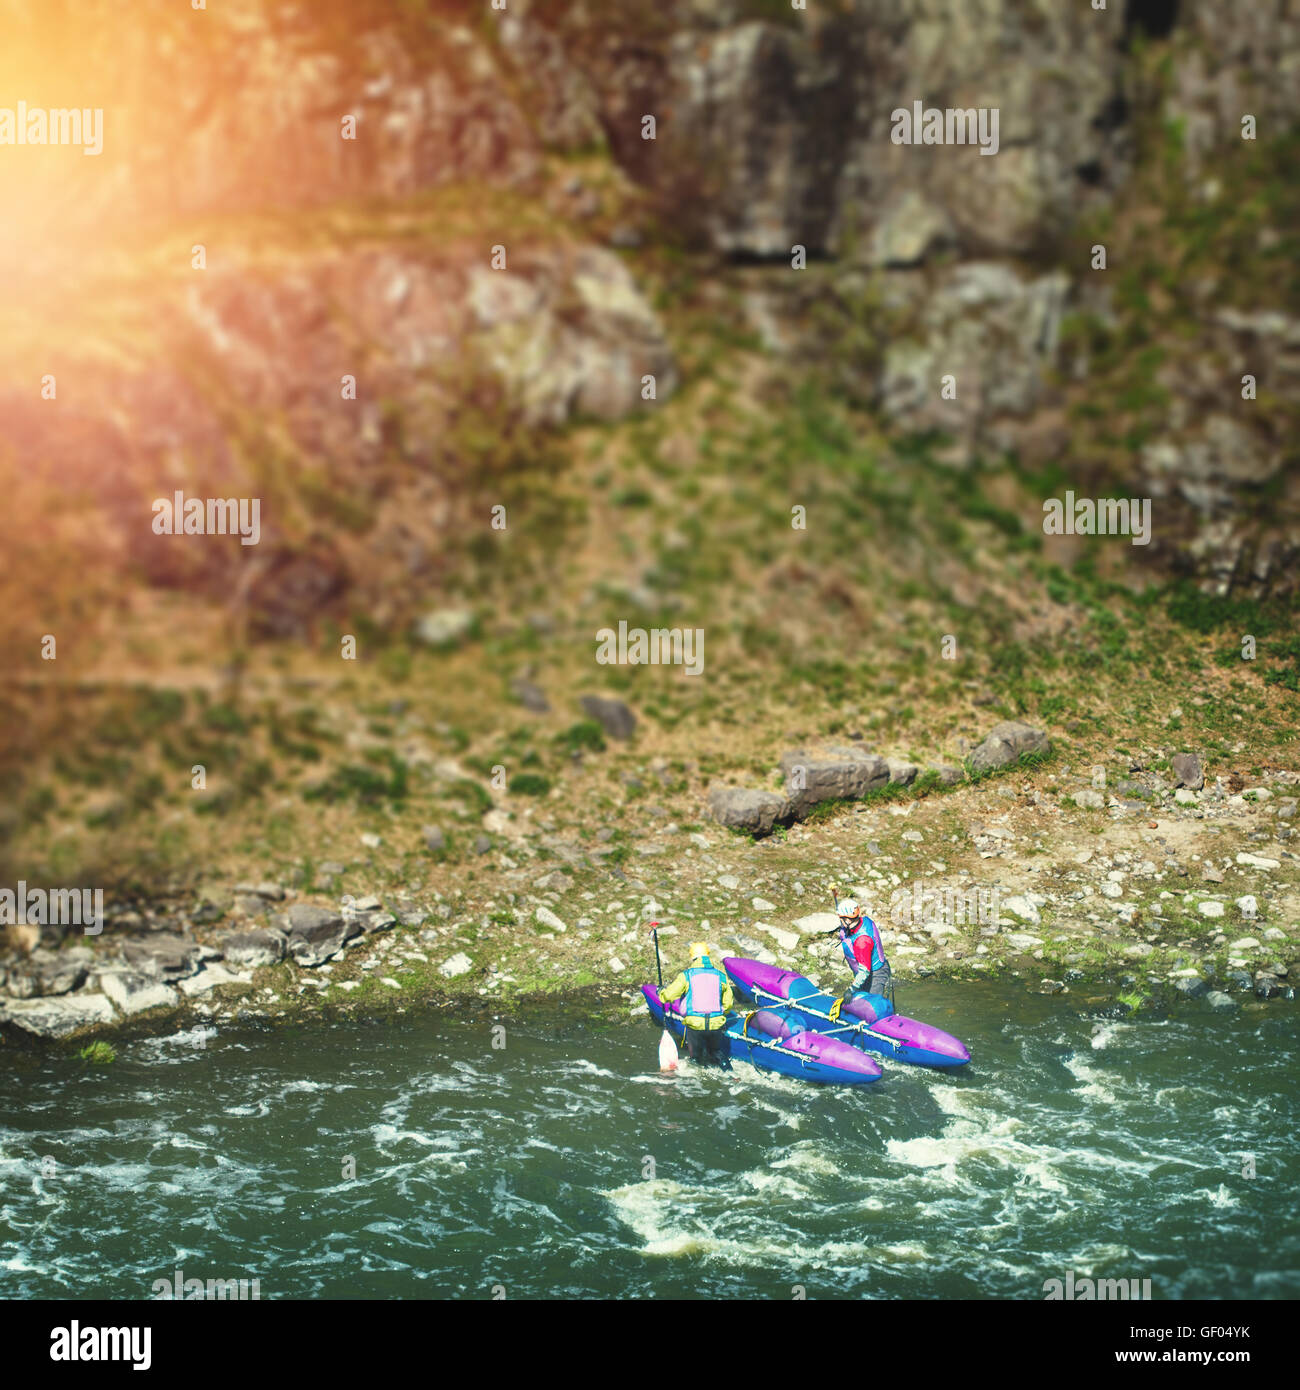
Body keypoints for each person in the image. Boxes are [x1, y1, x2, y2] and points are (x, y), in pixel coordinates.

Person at [659, 940, 734, 1068]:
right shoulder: (721, 976)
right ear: (707, 956)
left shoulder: (686, 975)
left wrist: (661, 994)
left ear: (692, 957)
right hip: (716, 1024)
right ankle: (732, 1074)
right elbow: (728, 1004)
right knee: (715, 1052)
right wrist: (720, 1013)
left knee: (696, 1058)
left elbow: (669, 996)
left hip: (695, 1025)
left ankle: (696, 1080)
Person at [829, 884, 892, 1004]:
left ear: (847, 920)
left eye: (841, 918)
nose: (840, 921)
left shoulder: (862, 942)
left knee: (872, 1005)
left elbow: (864, 971)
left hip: (875, 973)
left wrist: (851, 990)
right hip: (868, 969)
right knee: (861, 1001)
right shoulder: (861, 921)